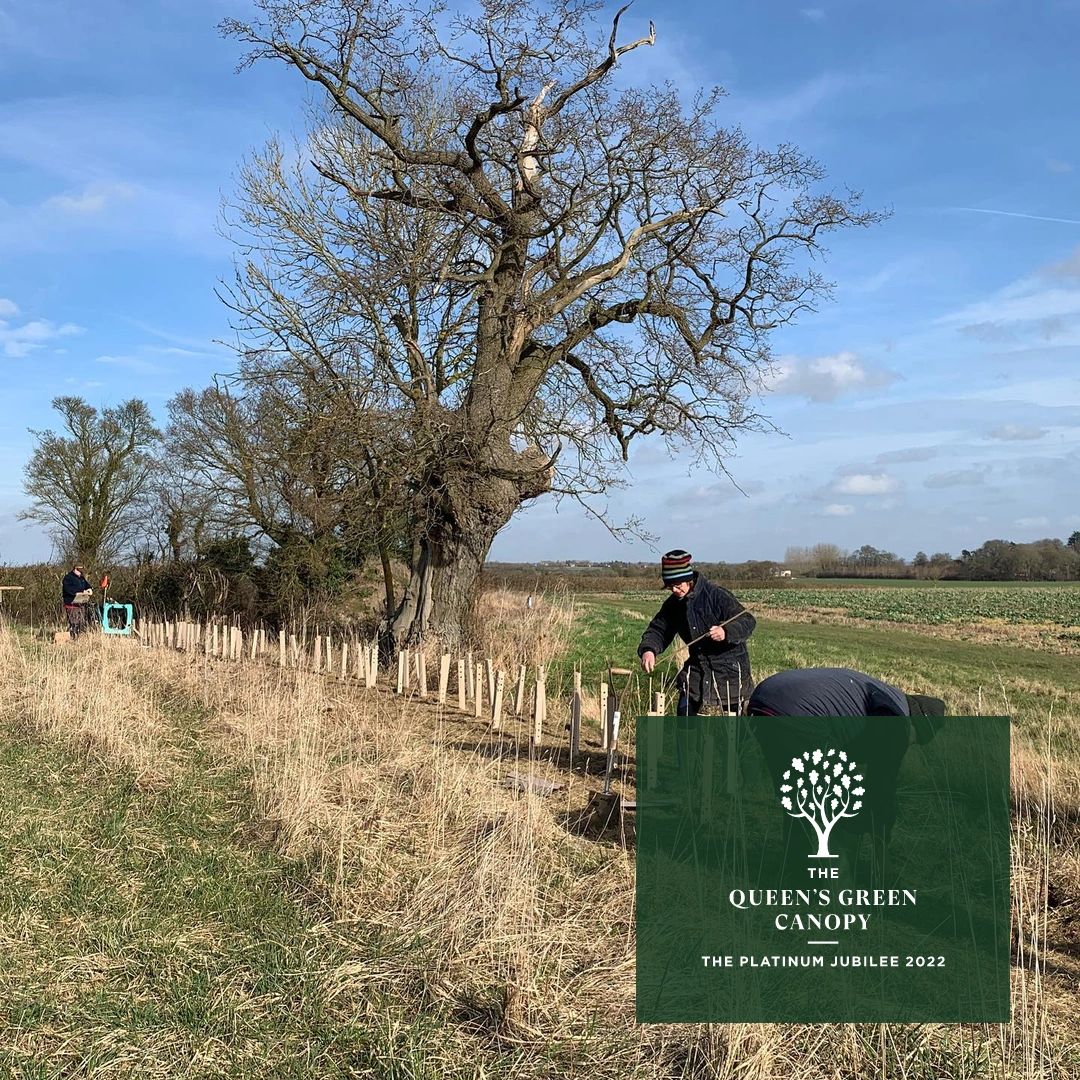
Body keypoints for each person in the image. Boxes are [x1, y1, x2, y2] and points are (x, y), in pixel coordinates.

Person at [745, 667, 946, 876]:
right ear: (916, 725)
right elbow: (881, 787)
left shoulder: (883, 695)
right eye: (914, 741)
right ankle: (834, 880)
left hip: (764, 701)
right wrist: (881, 831)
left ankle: (797, 873)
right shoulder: (896, 720)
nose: (907, 746)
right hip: (800, 713)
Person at [637, 549, 756, 714]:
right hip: (697, 670)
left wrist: (726, 631)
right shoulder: (673, 605)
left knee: (732, 729)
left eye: (678, 585)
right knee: (685, 714)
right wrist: (649, 650)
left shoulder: (716, 595)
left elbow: (747, 621)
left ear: (689, 580)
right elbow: (659, 630)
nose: (674, 590)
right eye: (670, 586)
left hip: (730, 673)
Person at [61, 561, 93, 640]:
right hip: (71, 604)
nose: (80, 572)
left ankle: (78, 638)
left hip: (81, 604)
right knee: (74, 622)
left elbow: (87, 585)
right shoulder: (68, 578)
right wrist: (79, 592)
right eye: (79, 570)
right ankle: (72, 638)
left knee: (81, 622)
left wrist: (89, 589)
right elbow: (68, 589)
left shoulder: (81, 578)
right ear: (75, 569)